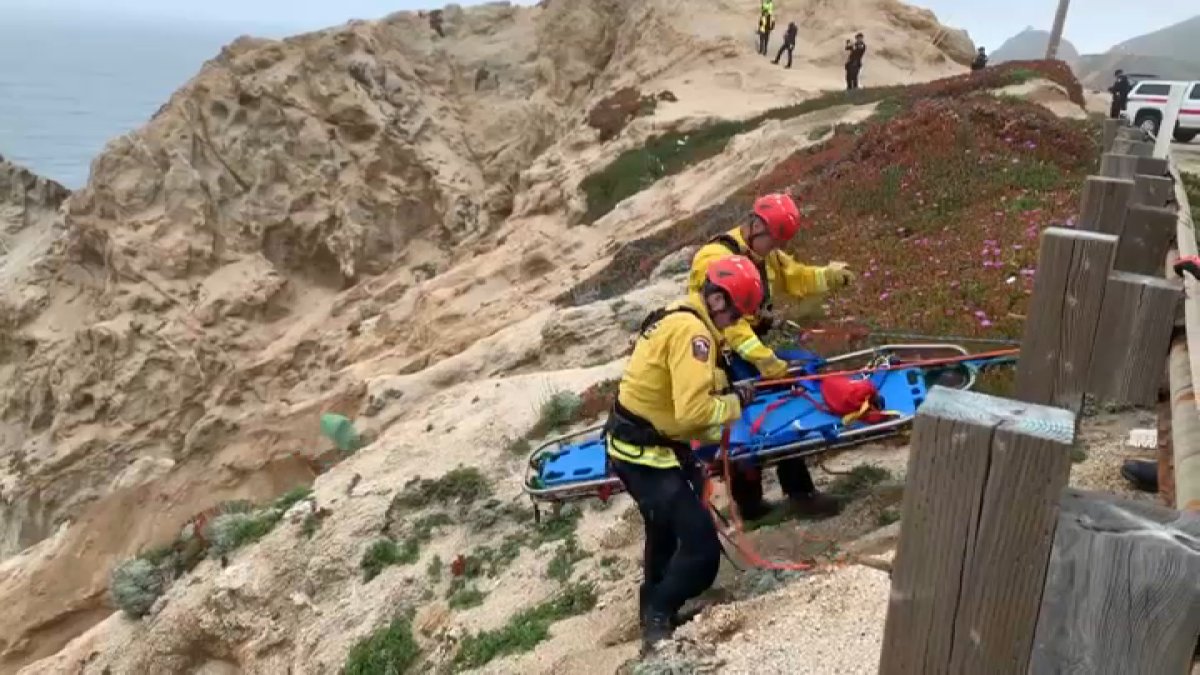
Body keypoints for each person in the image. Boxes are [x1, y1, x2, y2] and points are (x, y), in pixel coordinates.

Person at [604, 255, 765, 651]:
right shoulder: (695, 335)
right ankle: (658, 615)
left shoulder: (679, 316)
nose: (734, 325)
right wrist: (733, 404)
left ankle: (653, 609)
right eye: (735, 315)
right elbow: (692, 413)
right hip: (646, 455)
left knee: (664, 530)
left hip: (642, 446)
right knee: (700, 553)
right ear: (719, 302)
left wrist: (722, 387)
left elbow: (680, 387)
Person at [688, 193, 854, 521]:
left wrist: (830, 277)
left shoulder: (766, 255)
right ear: (755, 227)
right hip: (721, 353)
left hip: (748, 348)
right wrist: (765, 360)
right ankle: (753, 504)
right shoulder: (714, 260)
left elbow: (796, 276)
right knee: (746, 422)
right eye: (774, 240)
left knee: (778, 409)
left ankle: (796, 492)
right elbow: (728, 323)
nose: (776, 247)